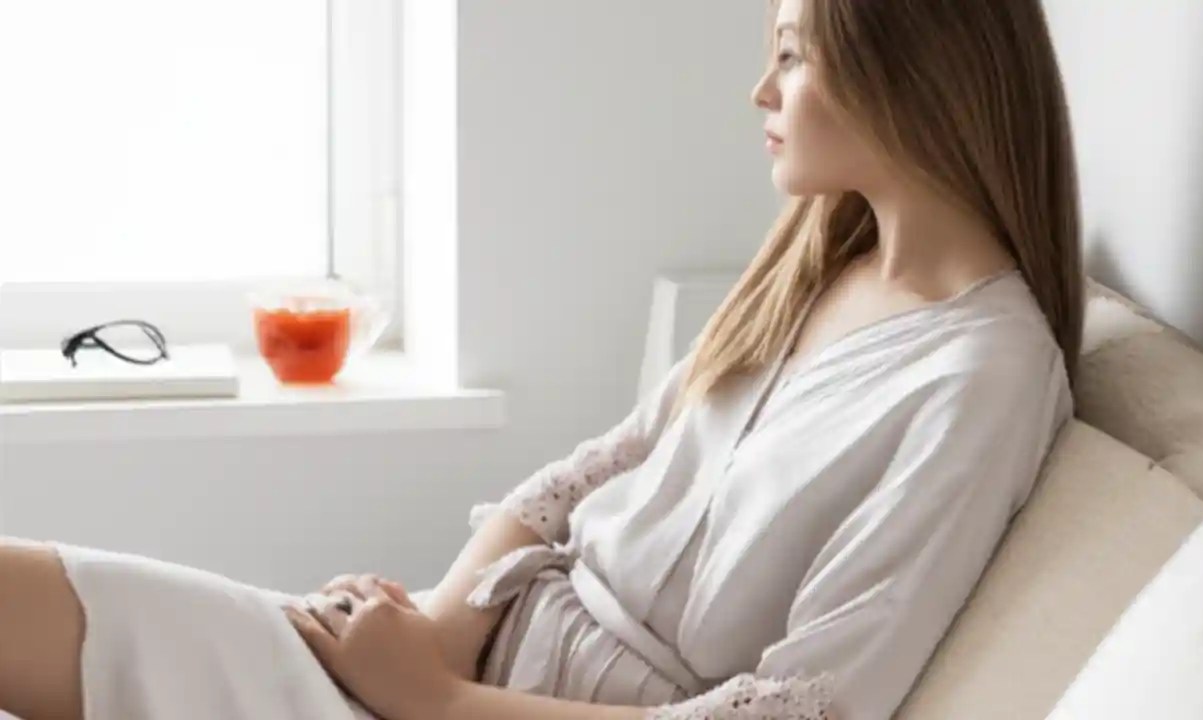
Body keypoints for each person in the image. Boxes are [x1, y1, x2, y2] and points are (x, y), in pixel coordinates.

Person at [0, 0, 1082, 718]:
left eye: (792, 53)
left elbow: (806, 709)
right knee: (84, 605)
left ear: (910, 73)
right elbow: (601, 467)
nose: (760, 90)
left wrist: (435, 699)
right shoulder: (816, 266)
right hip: (477, 656)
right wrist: (442, 623)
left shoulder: (983, 377)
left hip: (495, 706)